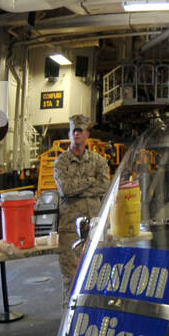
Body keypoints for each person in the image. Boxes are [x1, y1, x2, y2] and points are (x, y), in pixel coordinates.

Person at [53, 115, 110, 297]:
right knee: (71, 279)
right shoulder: (61, 162)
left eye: (80, 130)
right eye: (73, 131)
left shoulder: (98, 161)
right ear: (69, 134)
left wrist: (79, 187)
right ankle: (69, 324)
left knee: (98, 275)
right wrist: (90, 181)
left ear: (86, 134)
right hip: (70, 230)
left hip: (94, 226)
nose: (76, 134)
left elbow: (105, 187)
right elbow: (66, 190)